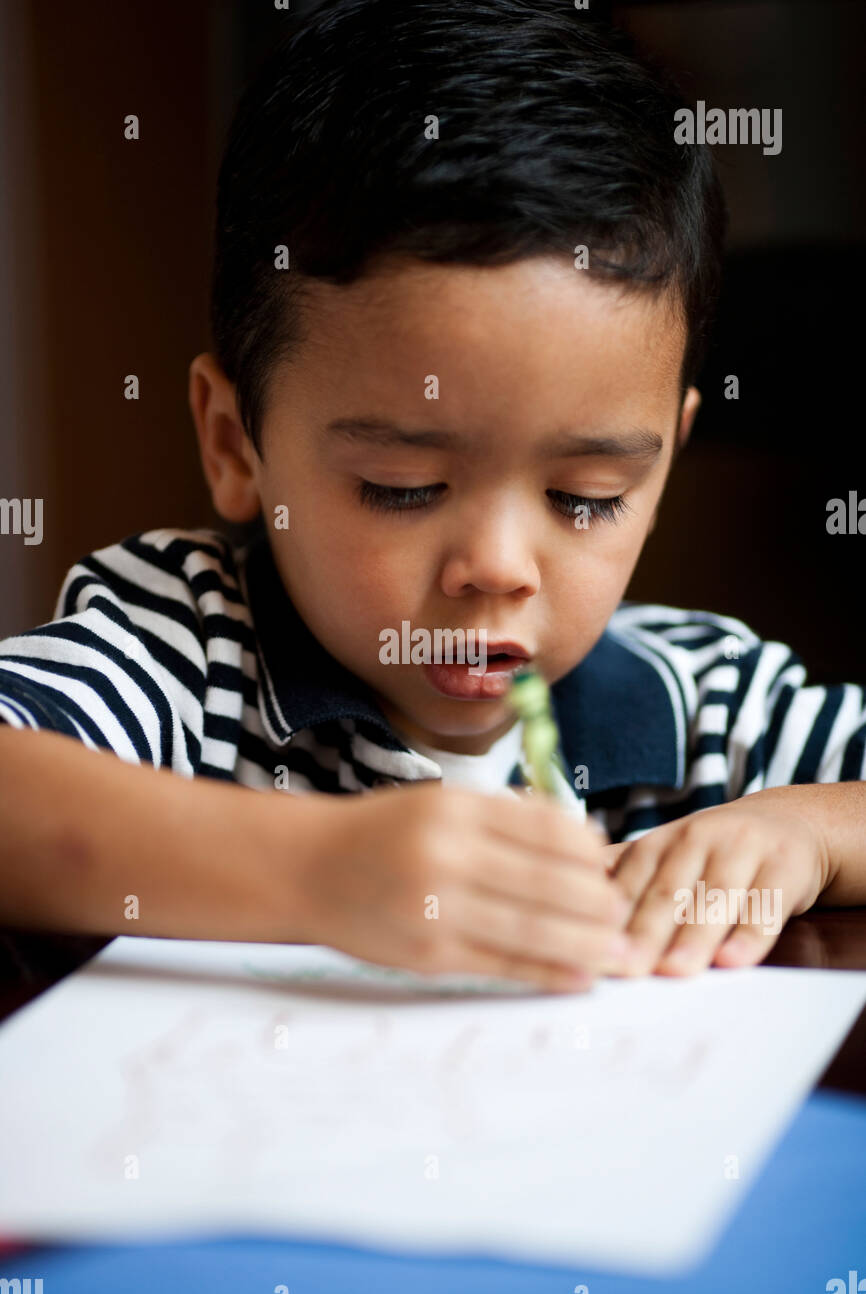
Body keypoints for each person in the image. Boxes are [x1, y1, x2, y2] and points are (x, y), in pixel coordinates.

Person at [1, 0, 863, 998]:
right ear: (236, 444)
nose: (498, 566)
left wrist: (809, 832)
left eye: (585, 496)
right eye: (399, 488)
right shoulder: (185, 654)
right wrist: (318, 868)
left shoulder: (708, 705)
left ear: (661, 463)